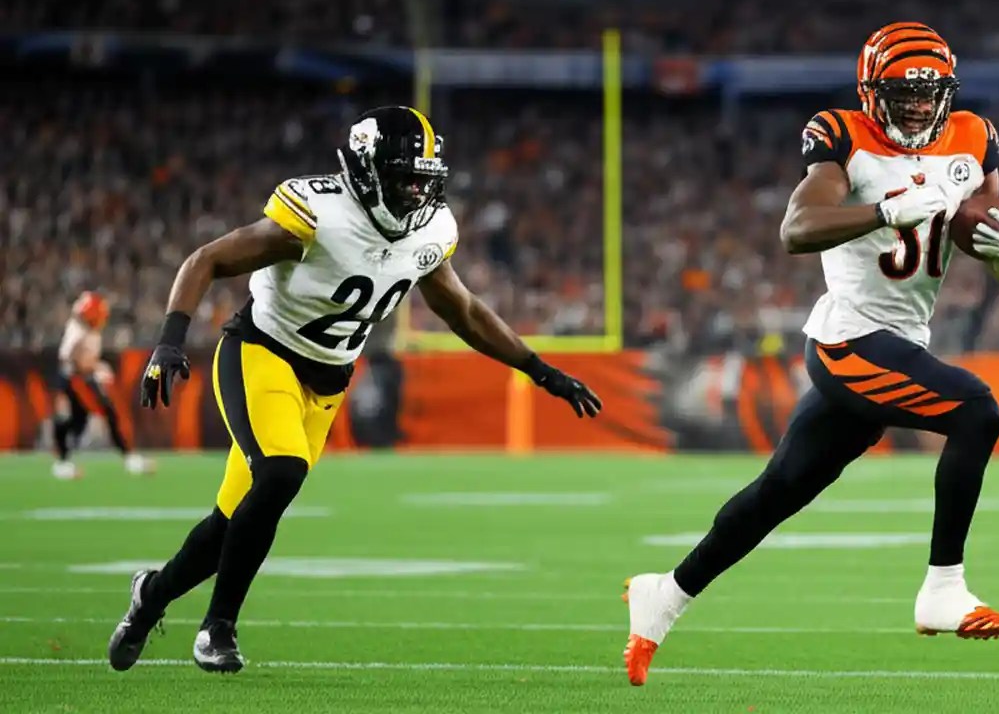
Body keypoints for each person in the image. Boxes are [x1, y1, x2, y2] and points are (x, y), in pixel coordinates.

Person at [107, 106, 602, 674]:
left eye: (425, 179)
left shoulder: (430, 231)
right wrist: (171, 340)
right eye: (404, 176)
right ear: (367, 170)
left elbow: (462, 310)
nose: (417, 191)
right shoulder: (317, 214)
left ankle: (150, 596)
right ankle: (218, 628)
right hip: (261, 353)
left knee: (230, 524)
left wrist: (542, 370)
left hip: (327, 382)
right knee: (282, 473)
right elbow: (208, 259)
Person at [621, 22, 999, 686]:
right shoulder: (842, 135)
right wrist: (883, 211)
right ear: (873, 93)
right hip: (849, 339)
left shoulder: (974, 136)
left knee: (779, 492)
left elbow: (972, 225)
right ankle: (942, 590)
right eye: (902, 94)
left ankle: (664, 595)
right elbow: (797, 228)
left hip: (901, 342)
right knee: (976, 410)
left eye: (928, 95)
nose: (917, 107)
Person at [51, 291, 151, 480]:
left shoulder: (86, 329)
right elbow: (75, 361)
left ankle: (127, 457)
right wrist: (97, 367)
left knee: (85, 419)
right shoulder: (78, 332)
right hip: (75, 381)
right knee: (89, 416)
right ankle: (63, 461)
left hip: (81, 379)